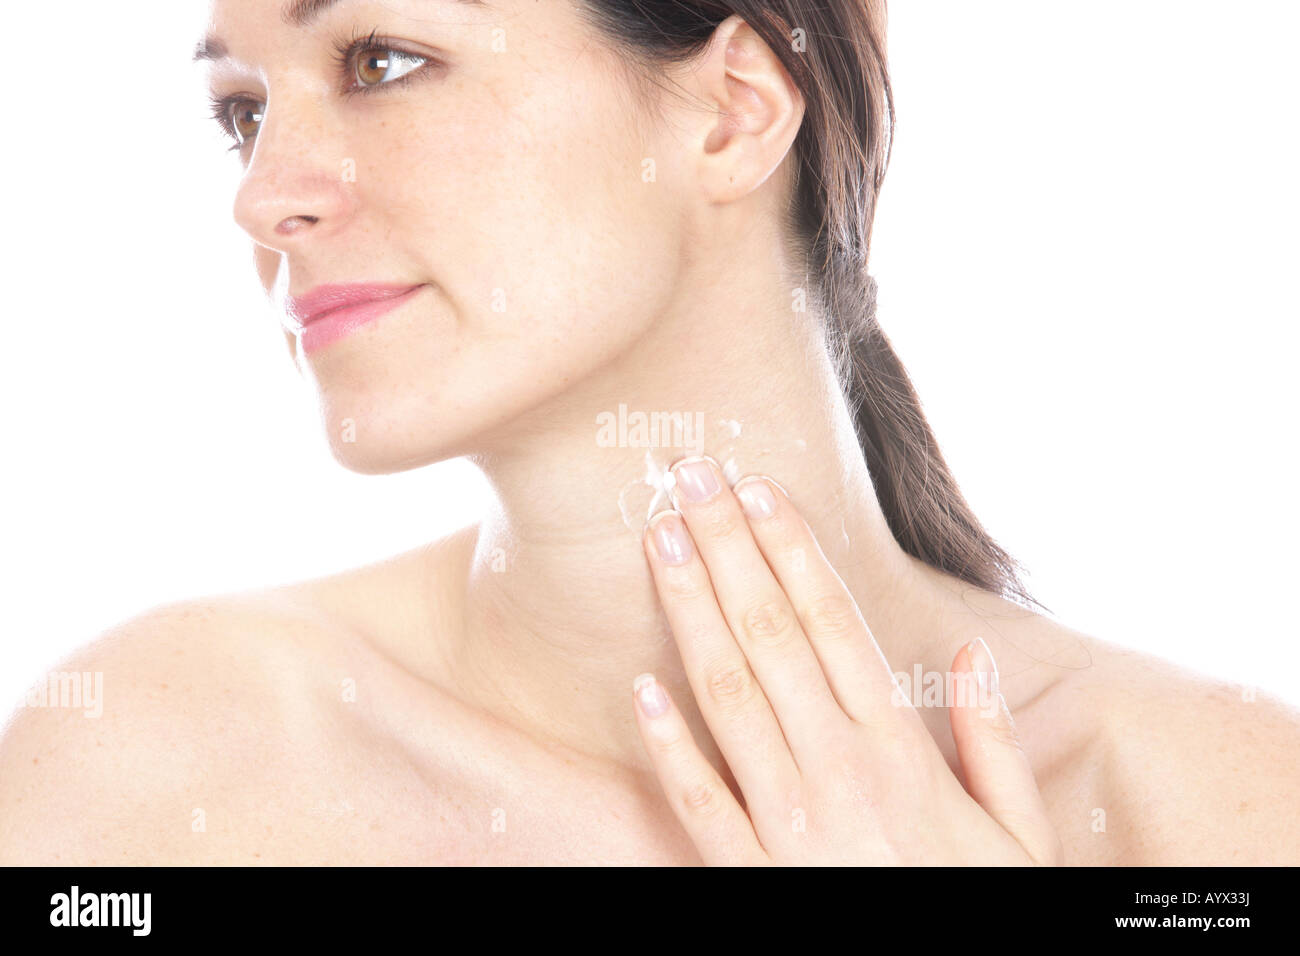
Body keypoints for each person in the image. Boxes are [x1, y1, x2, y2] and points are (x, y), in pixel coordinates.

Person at [1, 0, 1295, 865]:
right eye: (242, 112)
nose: (264, 194)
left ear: (734, 107)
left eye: (381, 60)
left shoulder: (1218, 813)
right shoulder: (158, 767)